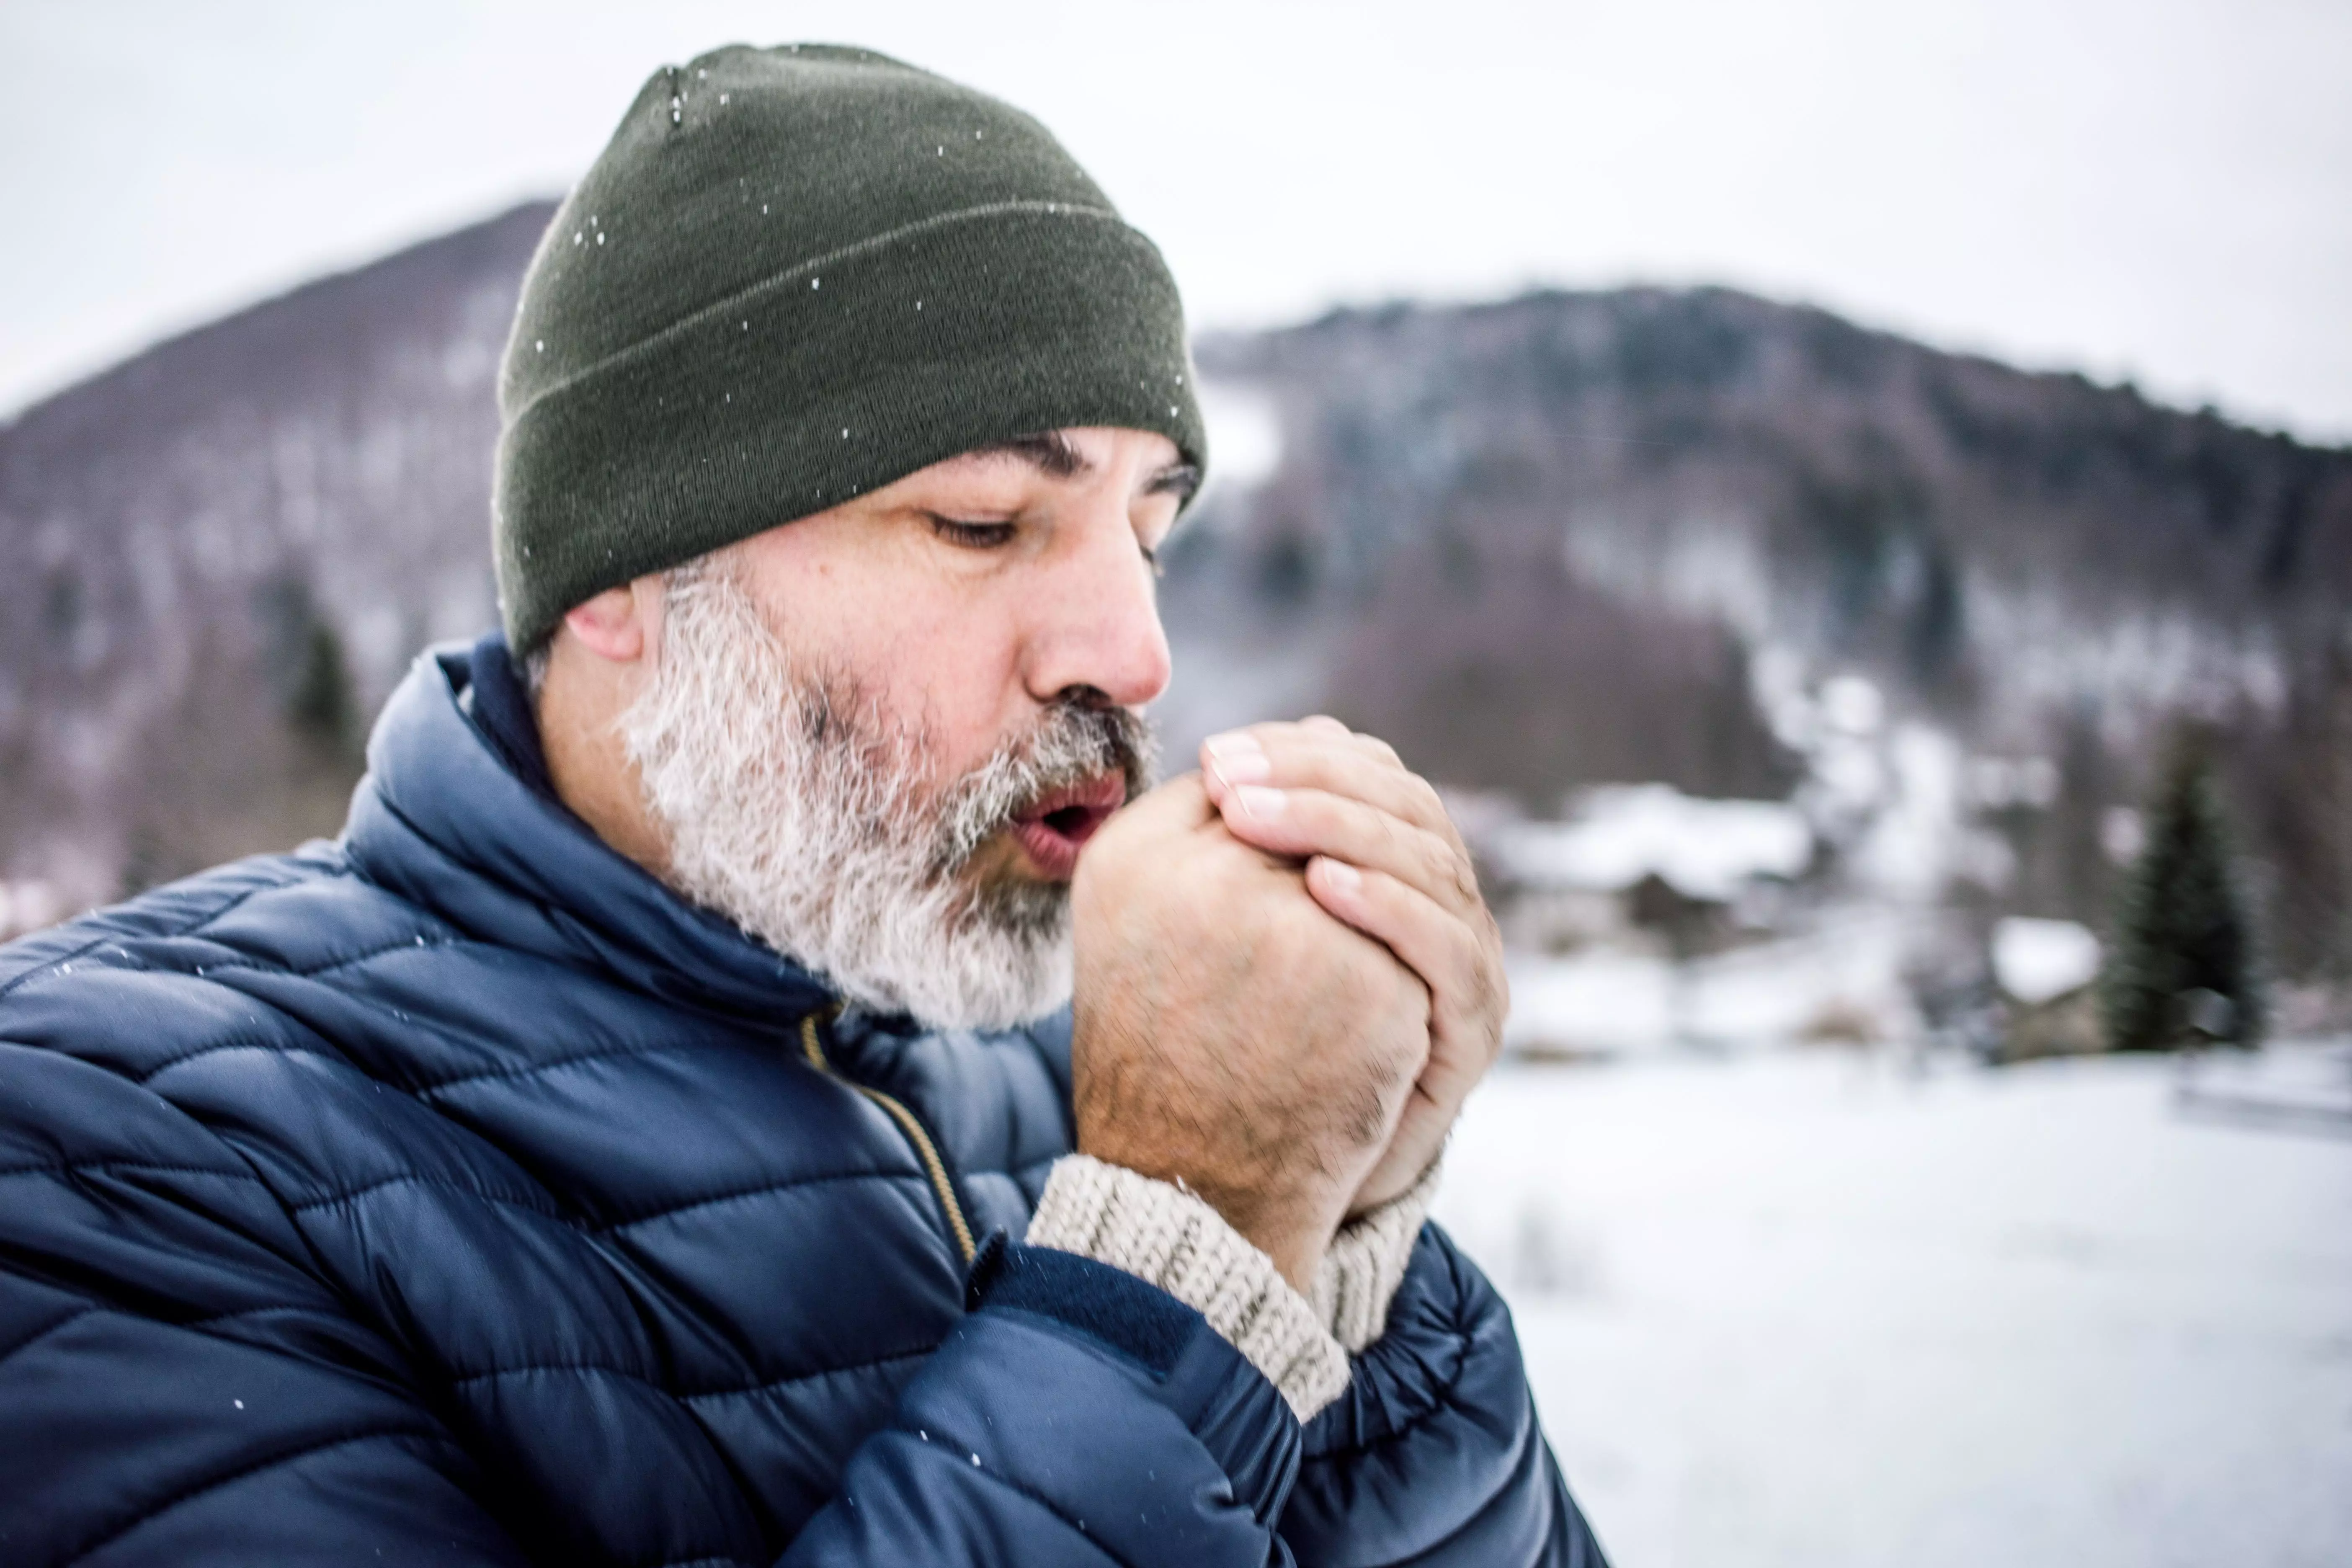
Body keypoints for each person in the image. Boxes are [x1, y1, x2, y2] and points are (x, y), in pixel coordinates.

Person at [0, 44, 1605, 1565]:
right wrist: (1176, 1267)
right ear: (630, 575)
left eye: (1148, 531)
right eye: (984, 521)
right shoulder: (107, 1144)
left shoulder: (1088, 1091)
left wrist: (1336, 1252)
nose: (1137, 652)